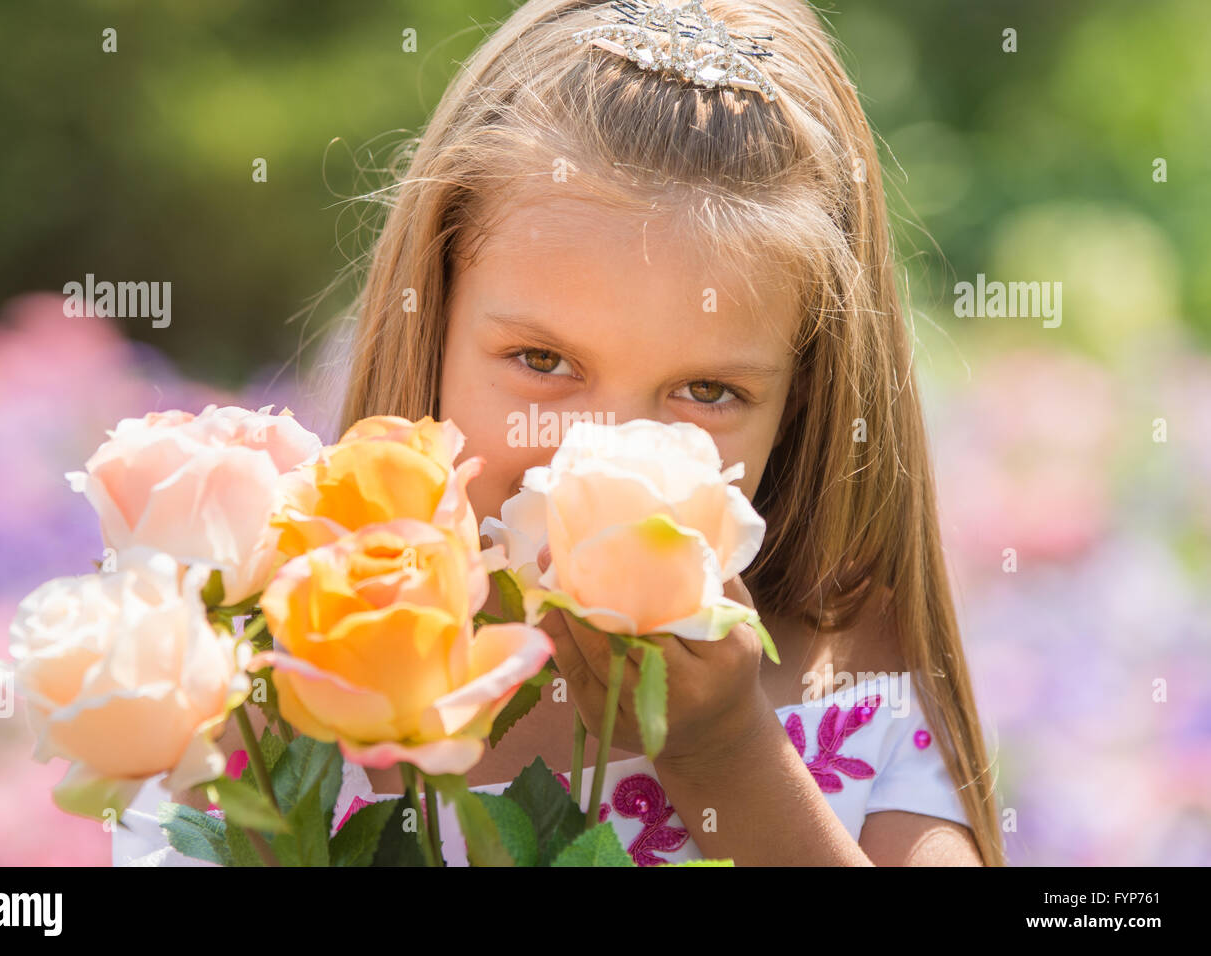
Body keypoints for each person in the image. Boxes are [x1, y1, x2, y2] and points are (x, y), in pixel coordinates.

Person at [114, 0, 1004, 866]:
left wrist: (725, 758)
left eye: (706, 389)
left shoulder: (852, 677)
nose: (599, 451)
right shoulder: (278, 703)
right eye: (542, 361)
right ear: (430, 325)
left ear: (801, 404)